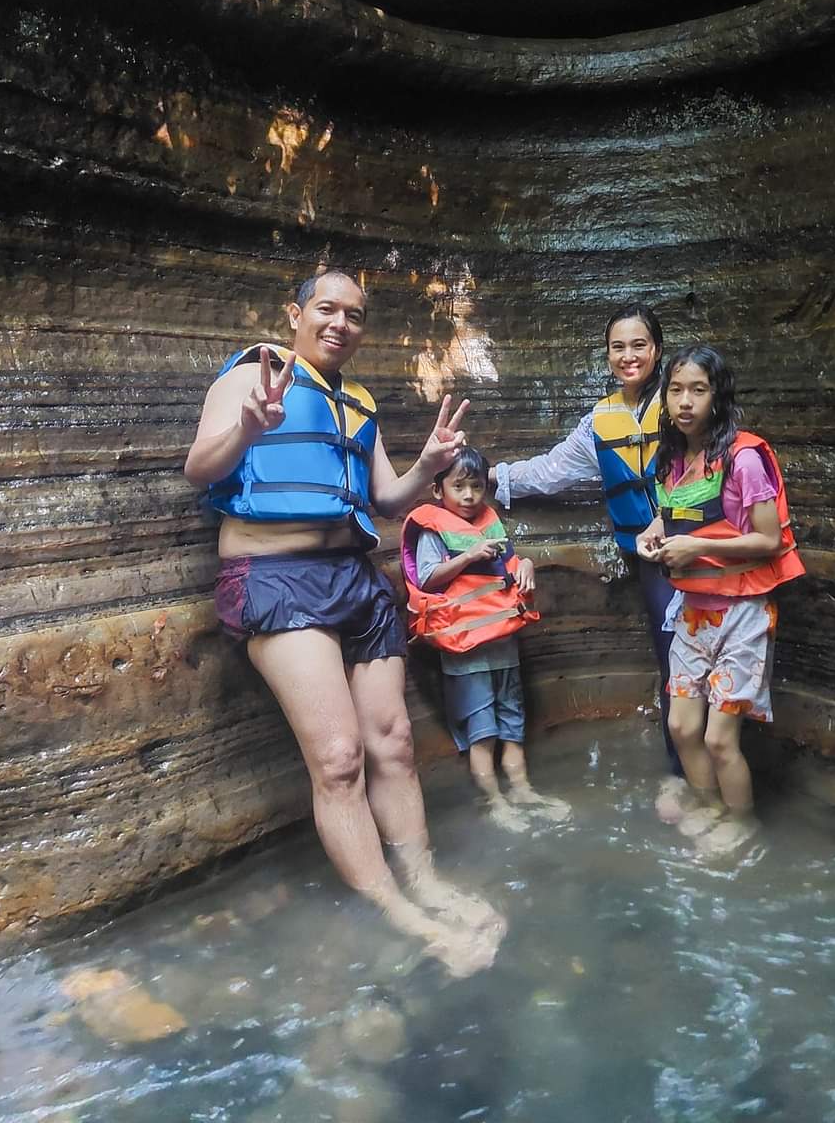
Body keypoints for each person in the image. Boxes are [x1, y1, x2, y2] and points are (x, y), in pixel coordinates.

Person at [184, 269, 505, 977]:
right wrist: (247, 426)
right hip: (274, 575)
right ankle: (399, 913)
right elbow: (199, 467)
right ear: (294, 314)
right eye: (326, 308)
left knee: (394, 742)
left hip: (354, 579)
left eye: (354, 314)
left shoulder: (356, 400)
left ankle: (425, 880)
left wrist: (427, 465)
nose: (340, 323)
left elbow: (387, 499)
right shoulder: (252, 376)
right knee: (338, 757)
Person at [491, 302, 683, 791]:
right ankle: (682, 777)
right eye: (618, 347)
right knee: (672, 662)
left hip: (699, 550)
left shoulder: (681, 399)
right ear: (607, 355)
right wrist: (487, 477)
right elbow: (551, 470)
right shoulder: (601, 420)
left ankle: (707, 777)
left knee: (699, 660)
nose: (628, 356)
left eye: (639, 345)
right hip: (652, 563)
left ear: (657, 349)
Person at [635, 345, 805, 858]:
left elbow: (769, 539)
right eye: (675, 390)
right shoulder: (671, 459)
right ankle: (709, 807)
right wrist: (653, 532)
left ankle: (742, 821)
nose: (685, 402)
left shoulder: (743, 458)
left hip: (742, 613)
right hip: (693, 613)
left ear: (718, 396)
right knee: (681, 725)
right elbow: (675, 515)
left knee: (718, 739)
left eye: (698, 390)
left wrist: (696, 548)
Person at [401, 446, 571, 832]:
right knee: (483, 734)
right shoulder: (434, 530)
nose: (468, 496)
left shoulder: (490, 523)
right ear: (438, 490)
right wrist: (467, 556)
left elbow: (510, 565)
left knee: (513, 728)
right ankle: (494, 803)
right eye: (458, 486)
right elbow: (426, 578)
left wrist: (526, 564)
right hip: (466, 654)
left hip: (503, 647)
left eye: (476, 487)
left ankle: (524, 791)